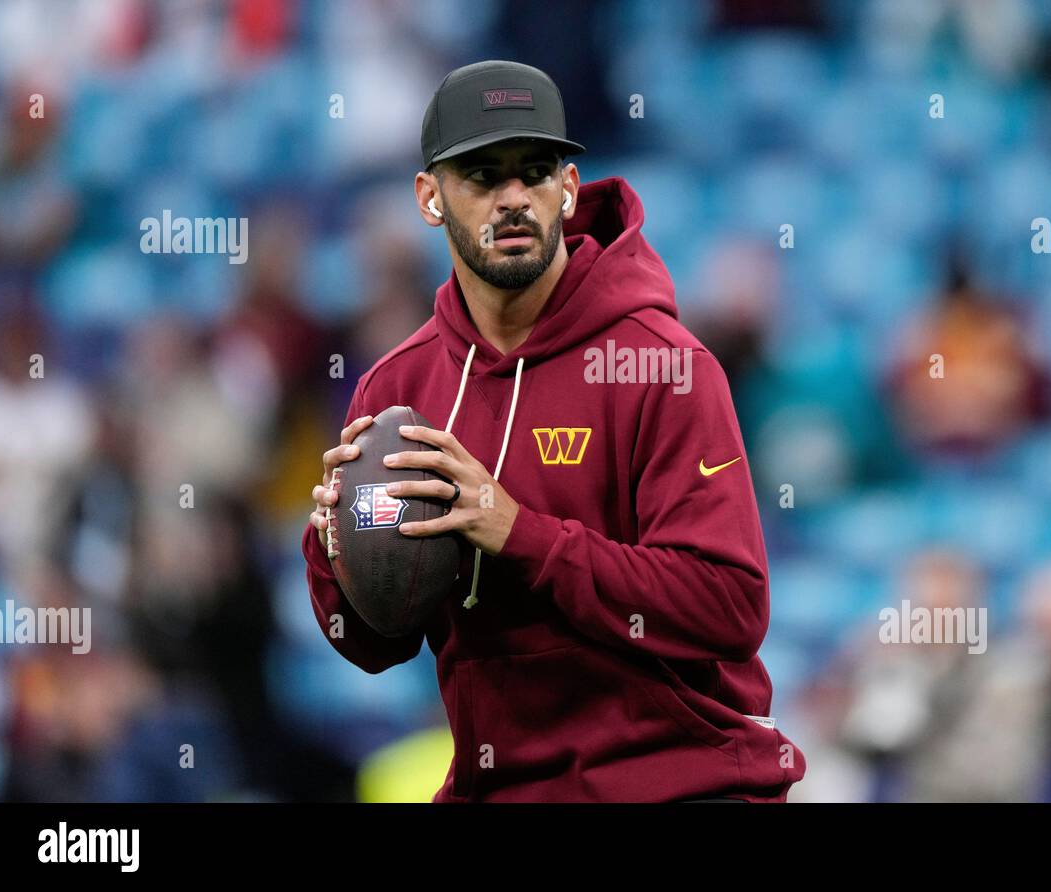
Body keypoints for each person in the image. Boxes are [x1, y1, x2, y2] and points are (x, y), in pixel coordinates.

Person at [301, 60, 805, 802]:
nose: (512, 198)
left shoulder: (662, 365)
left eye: (534, 172)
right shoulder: (397, 390)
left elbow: (730, 607)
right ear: (429, 198)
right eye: (481, 176)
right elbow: (376, 645)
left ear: (567, 190)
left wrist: (520, 534)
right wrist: (332, 551)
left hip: (679, 781)